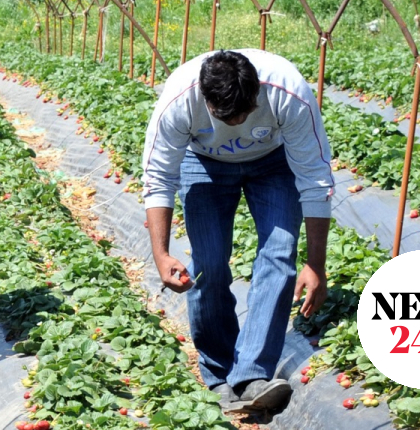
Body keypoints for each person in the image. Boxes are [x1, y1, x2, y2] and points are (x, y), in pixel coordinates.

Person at [141, 49, 332, 415]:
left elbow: (315, 178)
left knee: (279, 253)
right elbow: (159, 177)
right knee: (208, 266)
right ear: (205, 98)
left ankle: (251, 377)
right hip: (204, 164)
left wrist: (316, 264)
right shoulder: (179, 100)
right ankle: (219, 375)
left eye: (244, 113)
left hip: (274, 163)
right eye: (225, 116)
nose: (236, 122)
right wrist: (161, 254)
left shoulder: (287, 91)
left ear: (257, 92)